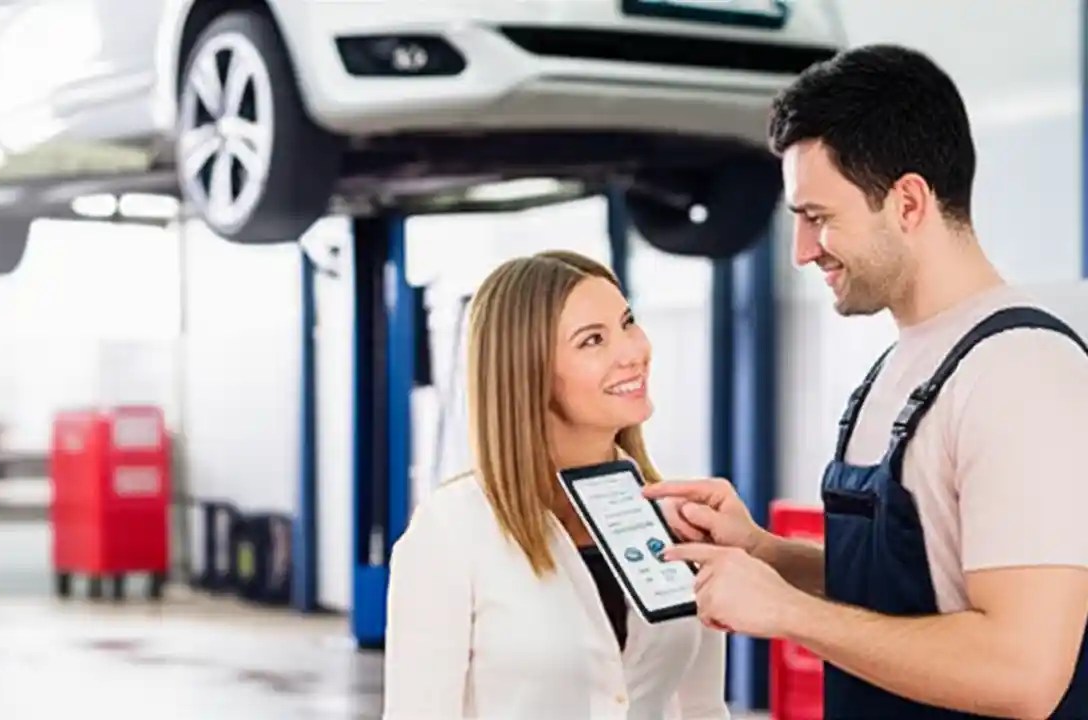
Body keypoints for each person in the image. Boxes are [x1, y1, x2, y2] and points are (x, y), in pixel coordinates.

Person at [645, 44, 1088, 719]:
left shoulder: (1020, 374)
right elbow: (918, 593)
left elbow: (1023, 673)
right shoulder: (905, 363)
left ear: (908, 202)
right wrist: (765, 553)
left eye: (817, 217)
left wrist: (789, 612)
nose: (801, 251)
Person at [383, 250, 728, 719]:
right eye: (593, 340)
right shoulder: (450, 532)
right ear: (529, 372)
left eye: (628, 322)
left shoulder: (676, 518)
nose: (633, 351)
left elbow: (703, 709)